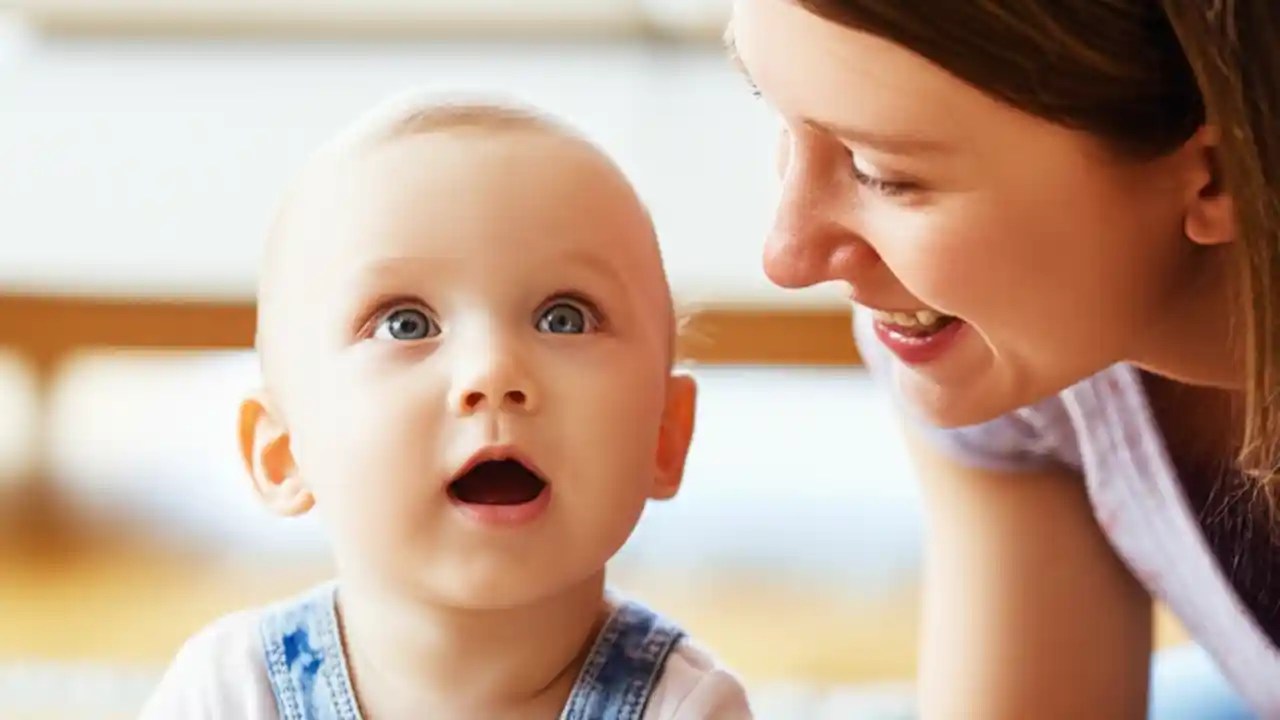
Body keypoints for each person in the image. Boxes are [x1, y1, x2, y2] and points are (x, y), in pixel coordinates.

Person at [727, 0, 1279, 717]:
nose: (787, 257)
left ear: (1222, 171)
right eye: (781, 119)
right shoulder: (1010, 356)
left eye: (881, 172)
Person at [138, 93, 753, 720]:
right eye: (405, 324)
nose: (493, 373)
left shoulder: (686, 709)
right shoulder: (229, 694)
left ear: (665, 435)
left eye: (563, 319)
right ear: (282, 453)